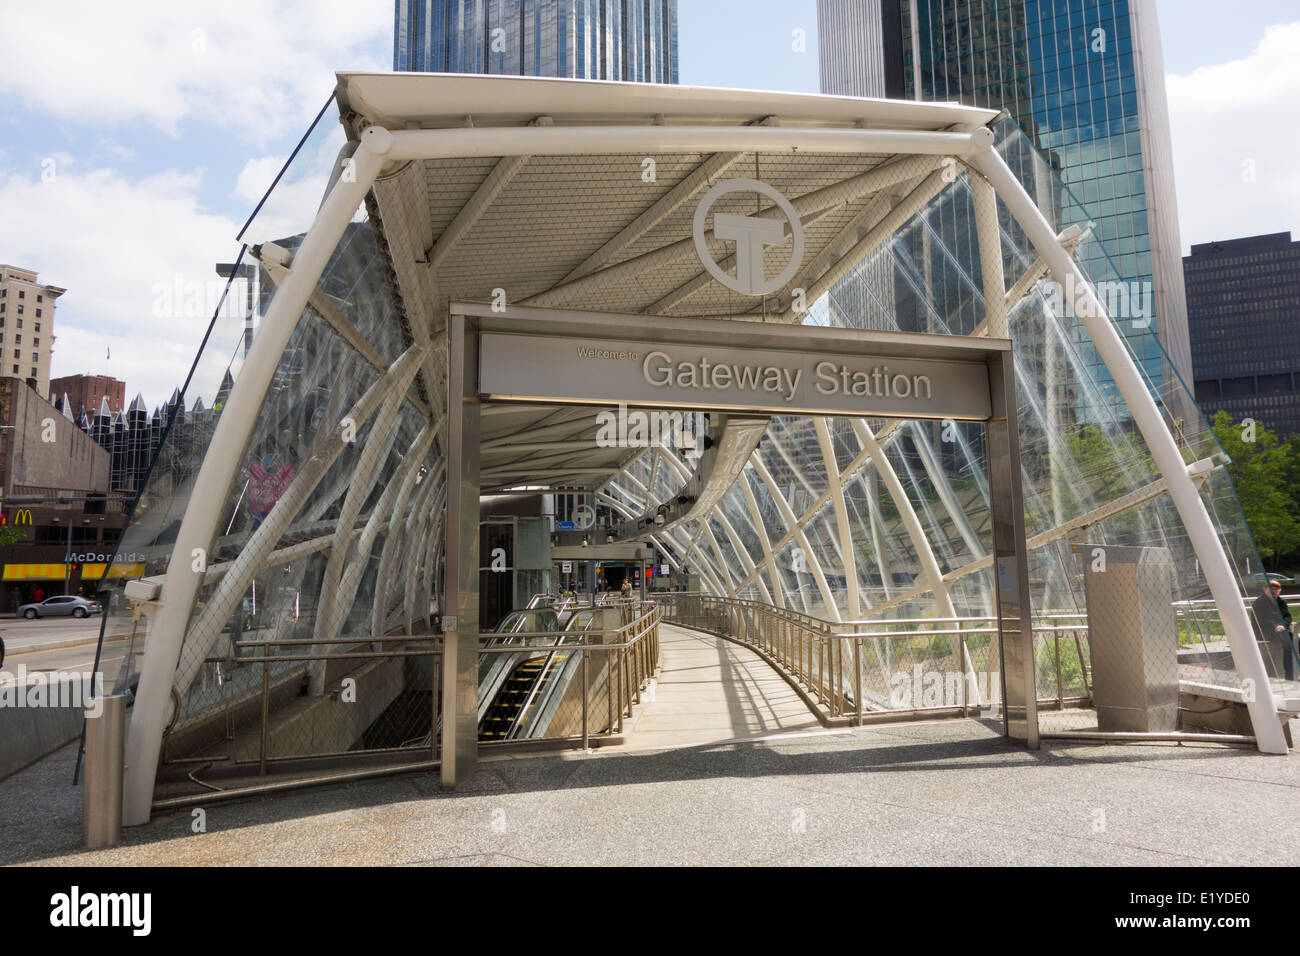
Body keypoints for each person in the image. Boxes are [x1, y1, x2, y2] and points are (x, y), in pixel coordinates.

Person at [1253, 577, 1294, 680]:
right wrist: (1276, 626)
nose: (1274, 591)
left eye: (1277, 589)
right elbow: (1262, 620)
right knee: (1289, 639)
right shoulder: (1259, 602)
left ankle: (1291, 673)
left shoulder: (1282, 601)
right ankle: (1290, 675)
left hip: (1281, 631)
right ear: (1265, 590)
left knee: (1292, 639)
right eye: (1271, 589)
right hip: (1264, 631)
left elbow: (1287, 617)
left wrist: (1283, 625)